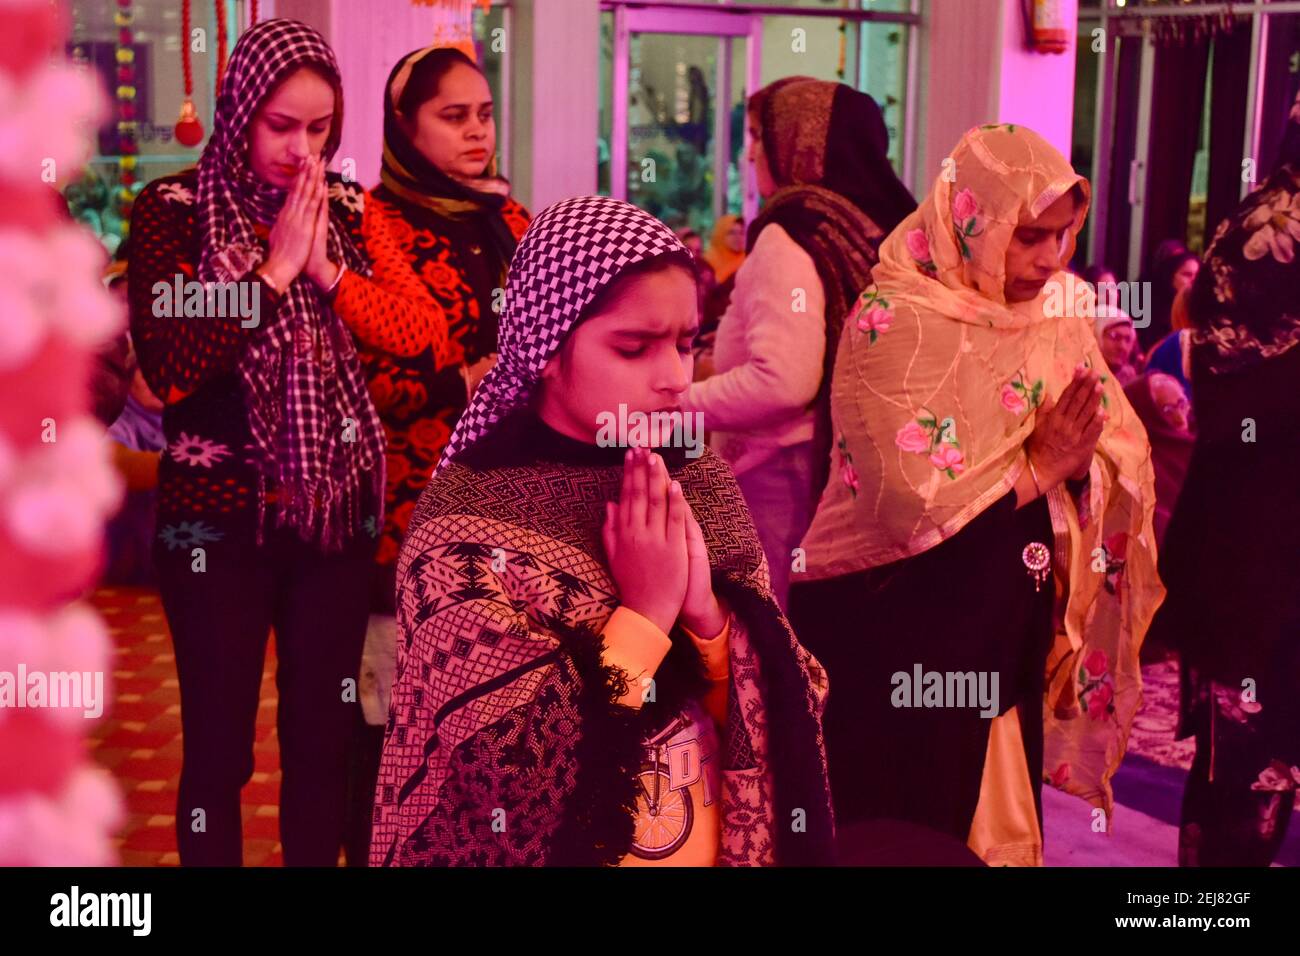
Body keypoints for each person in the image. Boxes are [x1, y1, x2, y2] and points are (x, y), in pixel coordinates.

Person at [370, 196, 834, 866]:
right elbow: (505, 780)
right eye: (634, 347)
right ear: (545, 346)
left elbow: (801, 699)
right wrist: (646, 614)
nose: (676, 378)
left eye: (686, 345)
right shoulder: (464, 527)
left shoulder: (696, 477)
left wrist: (707, 617)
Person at [789, 124, 1163, 866]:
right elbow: (904, 503)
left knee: (995, 818)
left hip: (1002, 609)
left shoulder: (1054, 313)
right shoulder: (895, 321)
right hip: (897, 622)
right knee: (910, 828)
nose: (1050, 259)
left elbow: (1112, 440)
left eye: (1063, 235)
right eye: (1028, 236)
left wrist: (1073, 465)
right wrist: (1037, 469)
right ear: (971, 221)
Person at [127, 18, 443, 866]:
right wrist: (269, 275)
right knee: (220, 753)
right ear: (237, 112)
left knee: (322, 744)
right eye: (280, 126)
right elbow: (172, 360)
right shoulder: (171, 212)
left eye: (319, 129)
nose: (301, 151)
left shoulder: (345, 209)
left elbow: (419, 328)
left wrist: (325, 272)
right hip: (213, 528)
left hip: (332, 519)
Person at [340, 44, 530, 865]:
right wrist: (462, 380)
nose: (476, 133)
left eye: (483, 114)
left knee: (496, 723)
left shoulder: (514, 219)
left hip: (517, 508)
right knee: (394, 724)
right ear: (404, 126)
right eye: (453, 117)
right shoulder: (371, 222)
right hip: (413, 512)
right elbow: (373, 378)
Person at [684, 77, 915, 610]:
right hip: (852, 472)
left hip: (781, 475)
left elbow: (784, 381)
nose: (750, 153)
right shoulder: (881, 227)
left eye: (760, 137)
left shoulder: (791, 231)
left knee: (772, 639)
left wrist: (674, 406)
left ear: (797, 147)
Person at [1149, 90, 1300, 867]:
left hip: (1259, 540)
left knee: (1259, 764)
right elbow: (1220, 364)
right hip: (1257, 547)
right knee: (1243, 772)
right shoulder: (1268, 230)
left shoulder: (1268, 217)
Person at [1137, 239, 1199, 352]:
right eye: (1187, 274)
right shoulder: (1148, 300)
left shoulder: (1199, 307)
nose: (1193, 280)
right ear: (1170, 276)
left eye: (1197, 275)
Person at [1093, 305, 1141, 386]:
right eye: (1114, 336)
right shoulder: (1075, 372)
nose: (1122, 347)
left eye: (1128, 339)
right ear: (1095, 335)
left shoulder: (1130, 382)